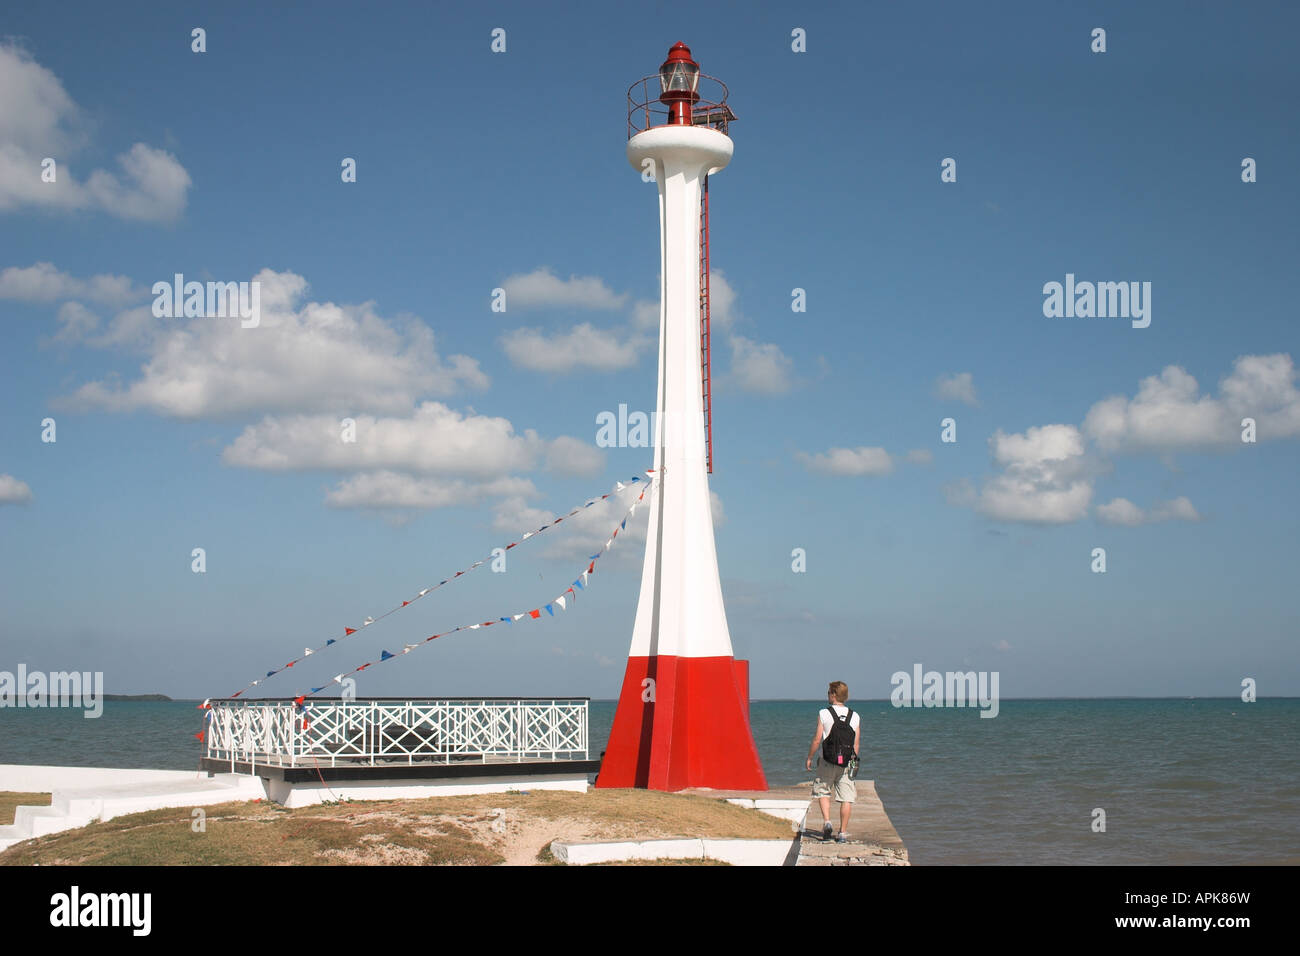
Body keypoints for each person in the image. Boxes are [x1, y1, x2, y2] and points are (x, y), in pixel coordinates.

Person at [805, 680, 860, 842]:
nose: (827, 695)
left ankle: (827, 822)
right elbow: (856, 743)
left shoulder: (824, 713)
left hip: (827, 760)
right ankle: (842, 832)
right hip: (846, 763)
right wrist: (853, 760)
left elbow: (817, 739)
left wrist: (809, 757)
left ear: (834, 695)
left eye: (829, 692)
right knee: (846, 798)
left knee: (823, 792)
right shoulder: (855, 716)